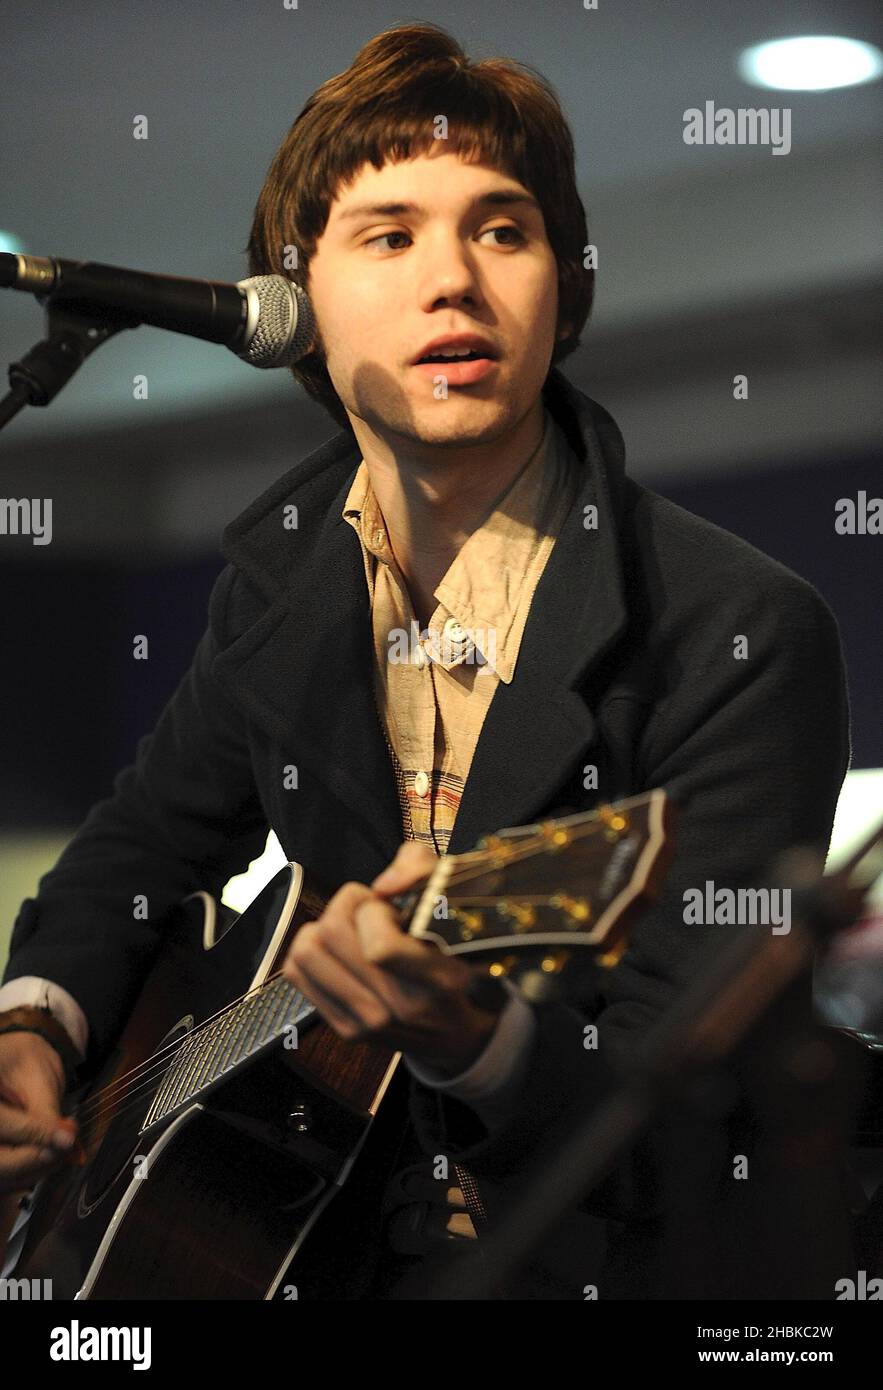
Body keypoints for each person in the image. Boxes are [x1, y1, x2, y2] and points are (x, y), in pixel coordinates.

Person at [0, 22, 854, 1299]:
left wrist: (481, 1041)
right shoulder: (279, 586)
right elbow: (132, 854)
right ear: (290, 310)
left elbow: (695, 1121)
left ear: (560, 286)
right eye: (389, 235)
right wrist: (37, 1022)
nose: (452, 278)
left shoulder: (734, 631)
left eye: (502, 230)